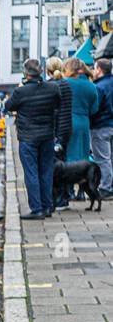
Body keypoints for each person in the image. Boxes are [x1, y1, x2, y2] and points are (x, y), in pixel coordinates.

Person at [5, 58, 62, 220]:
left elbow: (8, 106)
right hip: (47, 136)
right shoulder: (53, 88)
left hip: (28, 137)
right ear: (41, 71)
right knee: (46, 171)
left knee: (31, 173)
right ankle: (48, 206)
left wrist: (19, 90)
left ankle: (37, 209)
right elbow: (58, 105)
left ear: (25, 73)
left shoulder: (20, 92)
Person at [56, 58, 99, 210]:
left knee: (67, 158)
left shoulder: (64, 83)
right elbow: (94, 109)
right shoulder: (91, 86)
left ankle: (68, 192)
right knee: (83, 156)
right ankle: (82, 192)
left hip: (66, 122)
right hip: (84, 122)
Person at [90, 58, 113, 200]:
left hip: (101, 126)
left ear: (99, 70)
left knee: (103, 159)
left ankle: (106, 188)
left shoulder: (98, 87)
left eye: (94, 68)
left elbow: (94, 108)